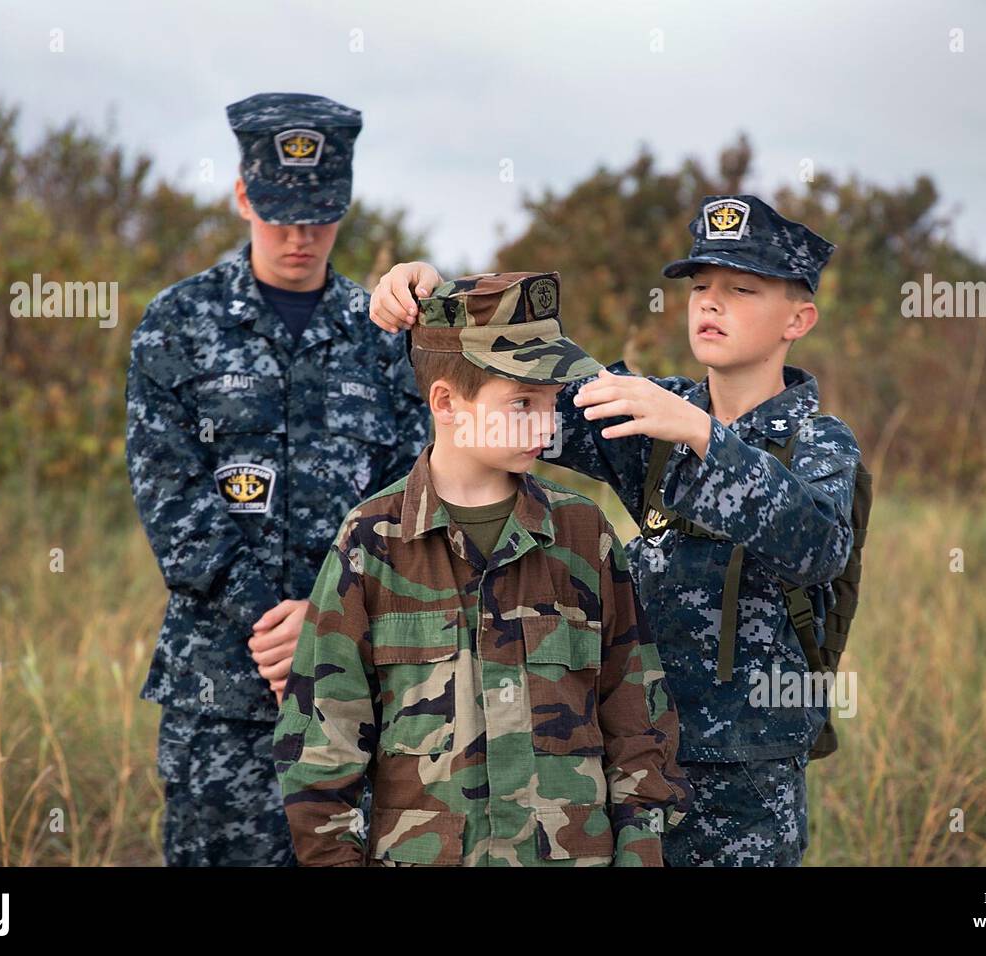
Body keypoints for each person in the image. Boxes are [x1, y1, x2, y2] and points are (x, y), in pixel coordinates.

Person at [369, 195, 861, 866]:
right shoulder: (654, 412)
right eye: (700, 287)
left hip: (747, 773)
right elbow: (515, 388)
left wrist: (705, 438)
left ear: (798, 319)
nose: (711, 304)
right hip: (628, 754)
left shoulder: (815, 440)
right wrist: (437, 304)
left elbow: (819, 548)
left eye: (741, 290)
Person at [273, 271, 694, 866]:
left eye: (550, 400)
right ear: (446, 402)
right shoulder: (372, 542)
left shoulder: (582, 535)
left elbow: (639, 734)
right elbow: (321, 755)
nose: (547, 426)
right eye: (521, 403)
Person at [124, 92, 428, 866]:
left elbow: (412, 502)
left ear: (345, 205)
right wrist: (272, 624)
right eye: (279, 212)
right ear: (241, 196)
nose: (299, 235)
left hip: (355, 694)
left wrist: (327, 620)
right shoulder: (178, 324)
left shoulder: (383, 338)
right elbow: (171, 498)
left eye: (319, 215)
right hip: (219, 695)